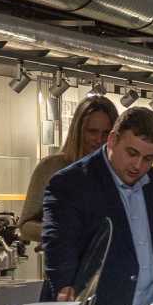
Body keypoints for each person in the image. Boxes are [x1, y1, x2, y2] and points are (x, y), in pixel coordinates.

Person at [41, 105, 153, 305]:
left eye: (148, 158)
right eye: (132, 153)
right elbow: (59, 245)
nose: (138, 166)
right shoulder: (72, 182)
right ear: (113, 140)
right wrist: (65, 294)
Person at [19, 94, 118, 245]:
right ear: (79, 131)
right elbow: (25, 226)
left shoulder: (119, 172)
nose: (99, 139)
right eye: (92, 131)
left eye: (105, 133)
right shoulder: (51, 167)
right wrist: (62, 232)